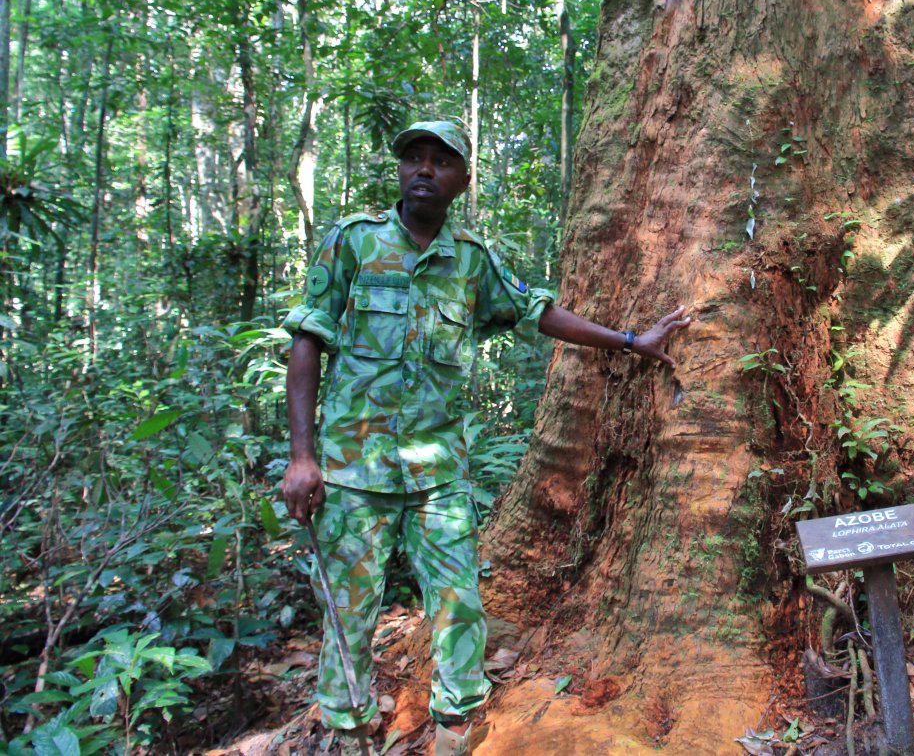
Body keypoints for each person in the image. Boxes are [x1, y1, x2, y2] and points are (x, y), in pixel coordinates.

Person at [280, 119, 689, 755]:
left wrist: (631, 341)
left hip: (438, 476)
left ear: (463, 180)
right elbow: (307, 340)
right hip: (352, 472)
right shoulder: (354, 242)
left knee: (458, 605)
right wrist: (302, 457)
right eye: (414, 158)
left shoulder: (472, 259)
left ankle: (456, 728)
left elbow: (538, 312)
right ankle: (348, 729)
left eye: (440, 161)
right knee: (348, 609)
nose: (424, 170)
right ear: (400, 171)